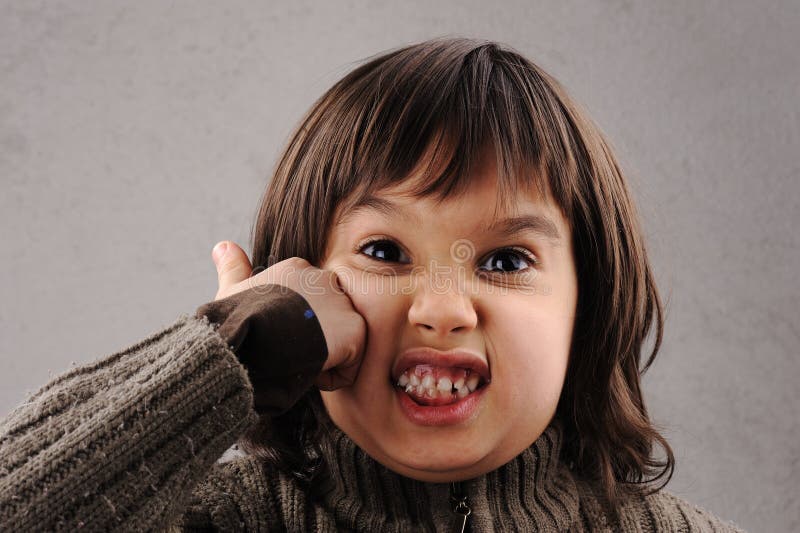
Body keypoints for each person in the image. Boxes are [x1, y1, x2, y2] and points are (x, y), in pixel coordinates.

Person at [0, 37, 747, 532]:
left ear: (588, 307)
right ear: (300, 280)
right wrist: (226, 356)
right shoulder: (221, 520)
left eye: (507, 261)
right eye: (386, 251)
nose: (444, 308)